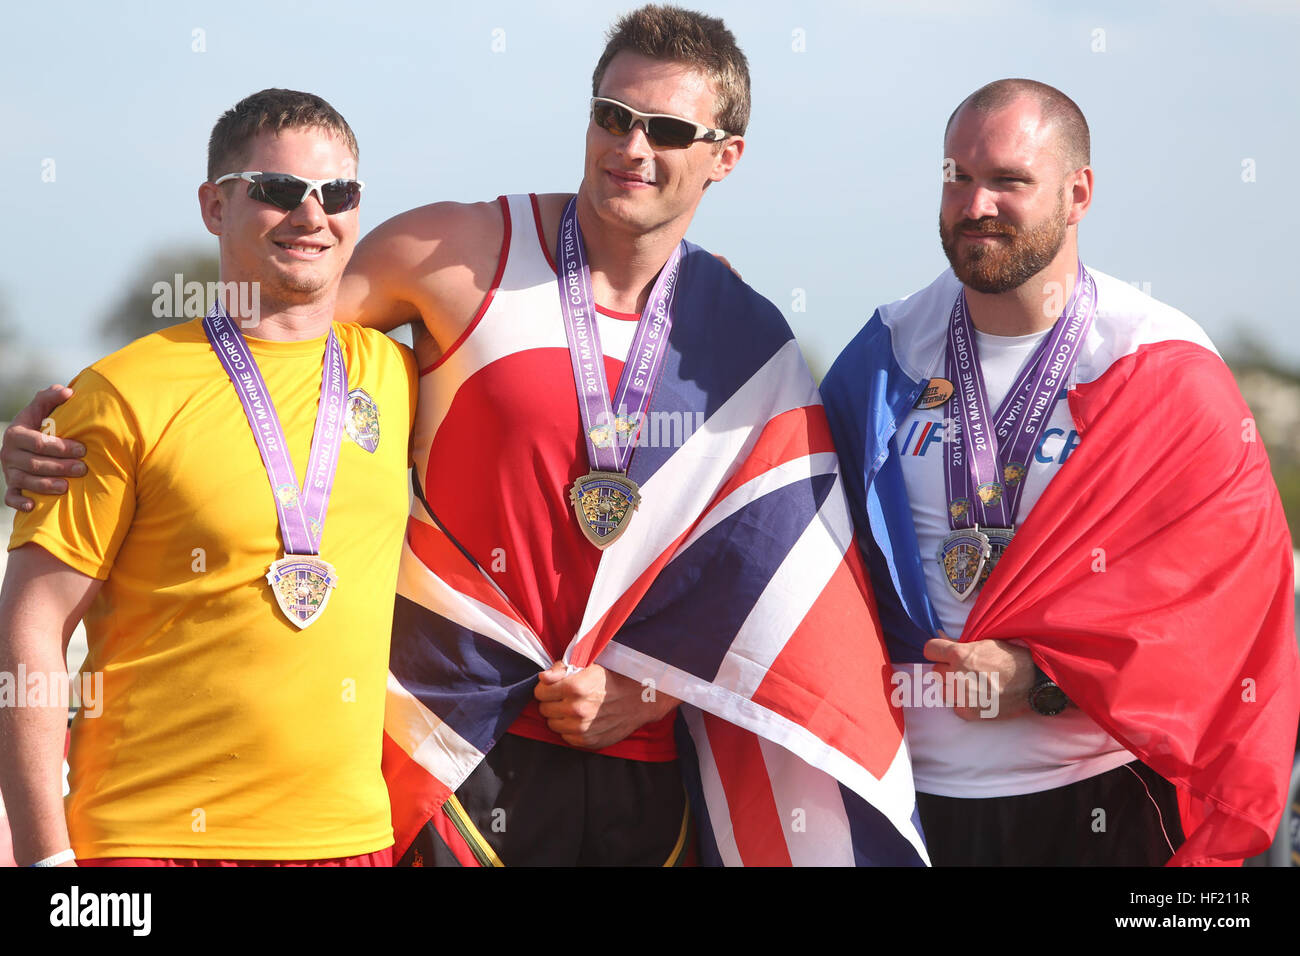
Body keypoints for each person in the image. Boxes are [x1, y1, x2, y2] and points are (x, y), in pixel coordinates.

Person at [4, 7, 927, 866]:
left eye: (670, 131)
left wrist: (661, 690)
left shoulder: (737, 330)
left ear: (725, 155)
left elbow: (772, 571)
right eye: (613, 116)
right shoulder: (448, 254)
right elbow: (270, 353)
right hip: (449, 742)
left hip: (643, 761)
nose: (632, 147)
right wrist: (81, 432)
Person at [820, 78, 1299, 866]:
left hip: (1101, 801)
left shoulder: (1155, 362)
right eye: (958, 177)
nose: (976, 204)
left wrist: (1046, 676)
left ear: (1077, 193)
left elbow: (1228, 600)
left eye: (1009, 180)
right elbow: (809, 550)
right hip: (905, 804)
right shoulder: (885, 354)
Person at [0, 89, 416, 866]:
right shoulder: (123, 390)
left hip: (351, 840)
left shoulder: (404, 378)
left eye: (339, 194)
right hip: (144, 842)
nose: (311, 215)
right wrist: (43, 860)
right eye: (278, 190)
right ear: (214, 206)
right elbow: (30, 629)